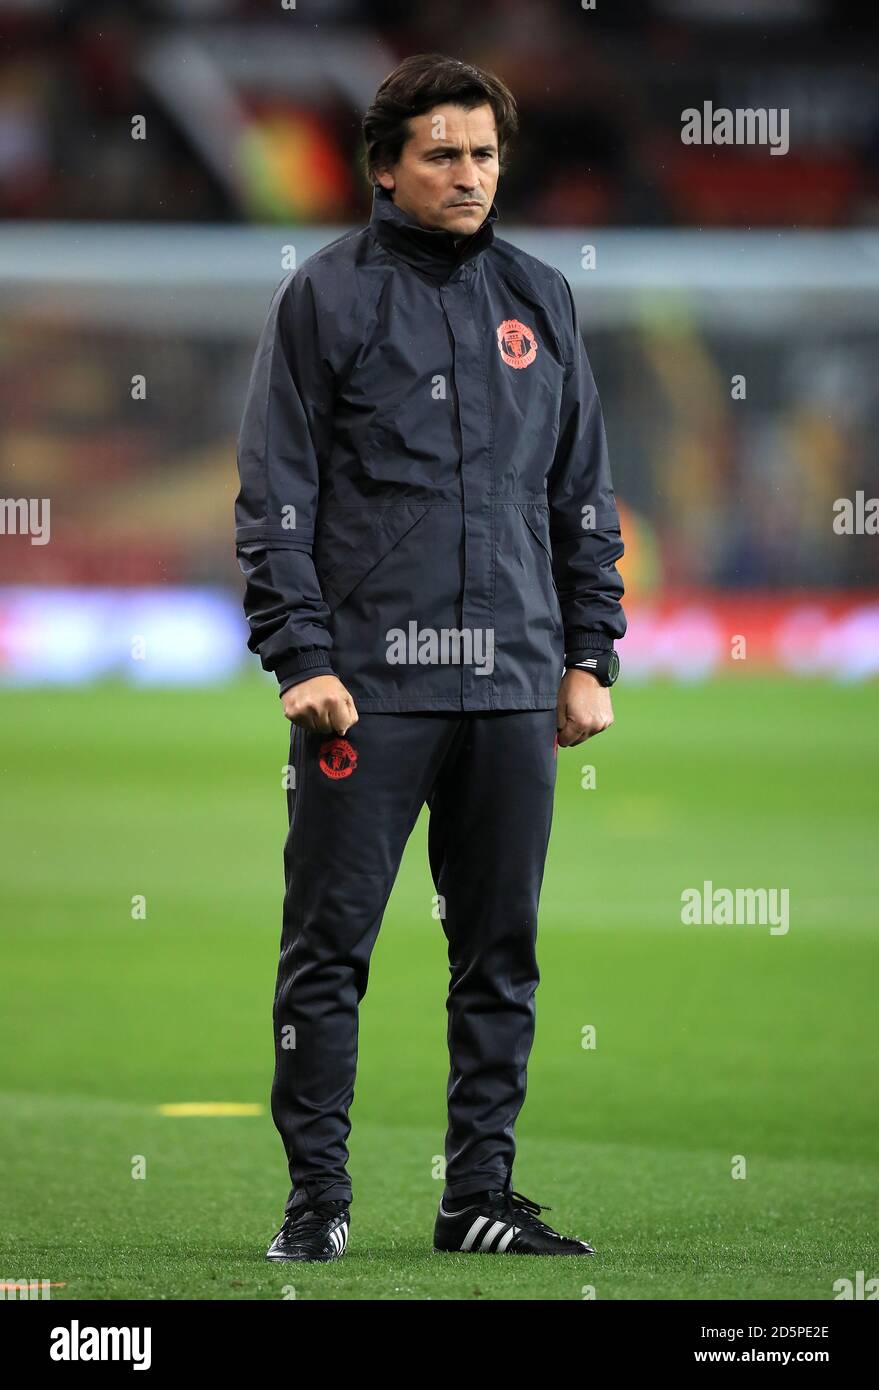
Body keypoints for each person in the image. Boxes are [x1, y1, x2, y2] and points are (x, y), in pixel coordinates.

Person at [234, 53, 626, 1262]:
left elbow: (581, 491)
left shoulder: (542, 297)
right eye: (444, 155)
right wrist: (299, 654)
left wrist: (589, 652)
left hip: (513, 683)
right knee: (328, 955)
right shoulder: (325, 299)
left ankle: (479, 1200)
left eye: (486, 154)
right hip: (367, 688)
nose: (470, 175)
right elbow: (274, 493)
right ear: (386, 168)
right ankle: (317, 1201)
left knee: (500, 957)